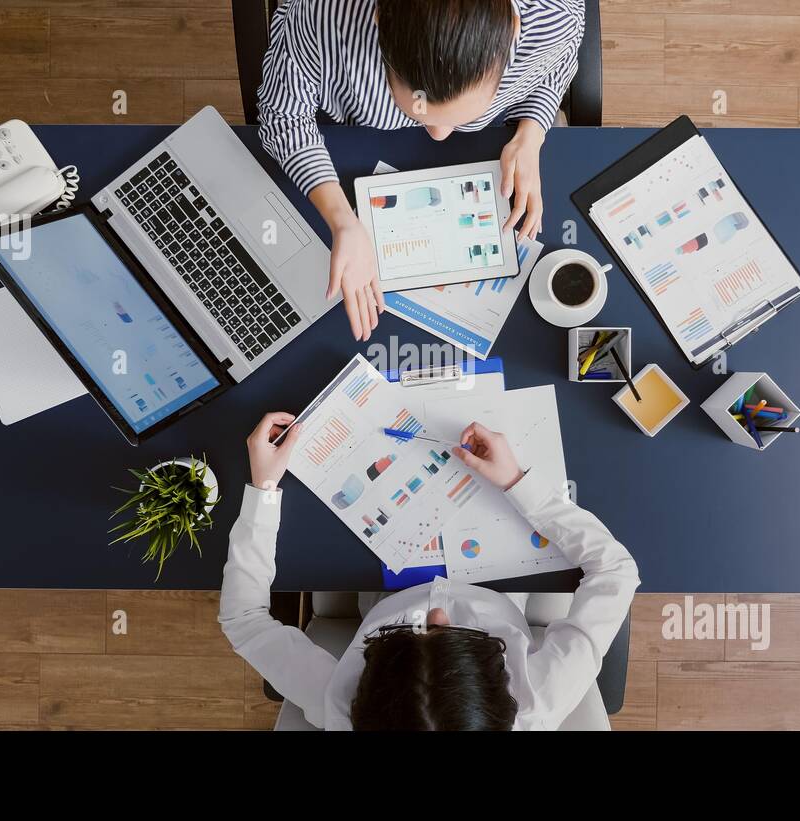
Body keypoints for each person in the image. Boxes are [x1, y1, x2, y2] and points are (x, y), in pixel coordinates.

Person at [219, 412, 640, 730]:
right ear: (504, 687)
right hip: (504, 587)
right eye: (463, 637)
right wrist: (516, 481)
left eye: (413, 632)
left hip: (382, 593)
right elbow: (616, 571)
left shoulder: (340, 703)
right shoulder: (540, 700)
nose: (437, 614)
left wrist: (263, 489)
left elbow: (243, 620)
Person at [256, 0, 587, 341]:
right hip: (350, 141)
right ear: (380, 19)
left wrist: (532, 132)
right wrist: (341, 220)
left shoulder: (554, 17)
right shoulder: (323, 15)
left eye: (460, 116)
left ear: (514, 29)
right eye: (422, 114)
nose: (440, 134)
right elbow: (284, 118)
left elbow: (558, 64)